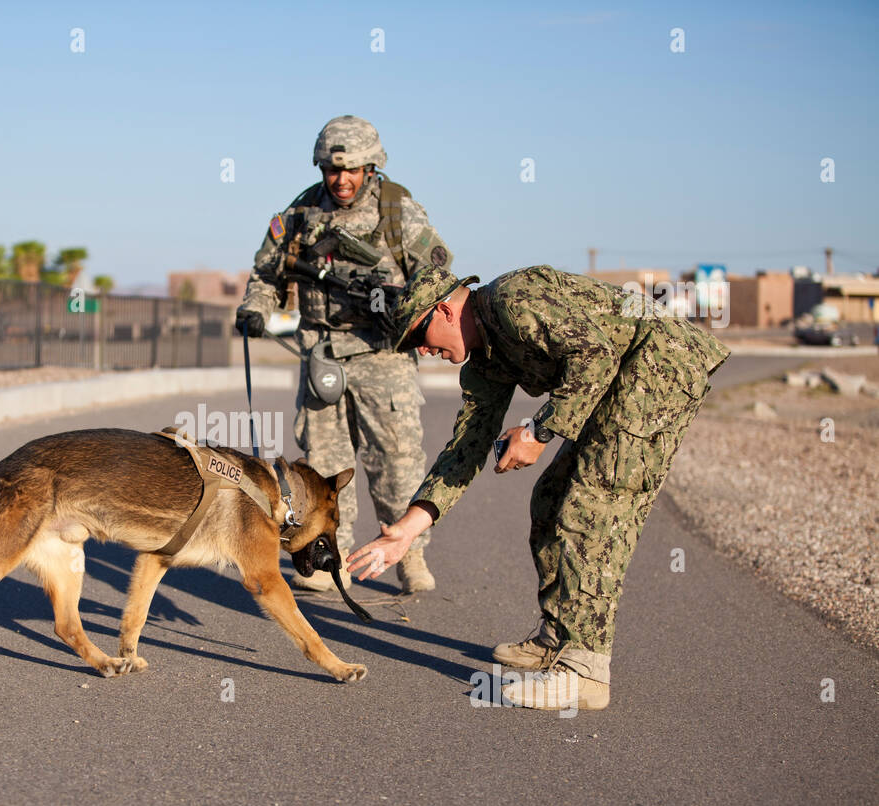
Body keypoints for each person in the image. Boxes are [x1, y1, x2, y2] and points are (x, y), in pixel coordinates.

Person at [346, 265, 730, 710]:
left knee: (591, 507)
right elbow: (465, 451)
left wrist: (537, 432)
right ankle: (559, 640)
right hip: (617, 379)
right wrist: (410, 528)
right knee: (549, 501)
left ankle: (584, 673)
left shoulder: (513, 300)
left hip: (659, 364)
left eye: (419, 335)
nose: (422, 350)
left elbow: (597, 355)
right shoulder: (483, 366)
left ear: (447, 310)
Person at [235, 115, 452, 593]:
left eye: (353, 169)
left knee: (395, 460)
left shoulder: (398, 213)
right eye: (333, 170)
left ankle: (409, 554)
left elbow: (438, 276)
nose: (342, 179)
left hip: (383, 355)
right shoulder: (297, 216)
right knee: (324, 464)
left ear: (371, 167)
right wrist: (255, 309)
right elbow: (266, 274)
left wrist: (399, 302)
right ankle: (331, 556)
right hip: (321, 352)